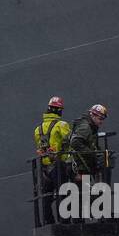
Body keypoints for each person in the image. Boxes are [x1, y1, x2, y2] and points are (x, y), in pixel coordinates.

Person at [34, 96, 72, 224]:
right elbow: (71, 142)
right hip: (58, 166)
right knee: (63, 194)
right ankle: (64, 221)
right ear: (59, 111)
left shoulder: (38, 129)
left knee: (46, 197)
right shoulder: (62, 125)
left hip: (44, 168)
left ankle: (48, 222)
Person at [68, 103, 109, 180]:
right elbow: (75, 142)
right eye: (100, 118)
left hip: (81, 165)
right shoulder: (85, 127)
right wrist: (91, 154)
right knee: (84, 190)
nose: (101, 122)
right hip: (79, 167)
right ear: (92, 115)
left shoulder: (91, 127)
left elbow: (91, 144)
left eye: (103, 119)